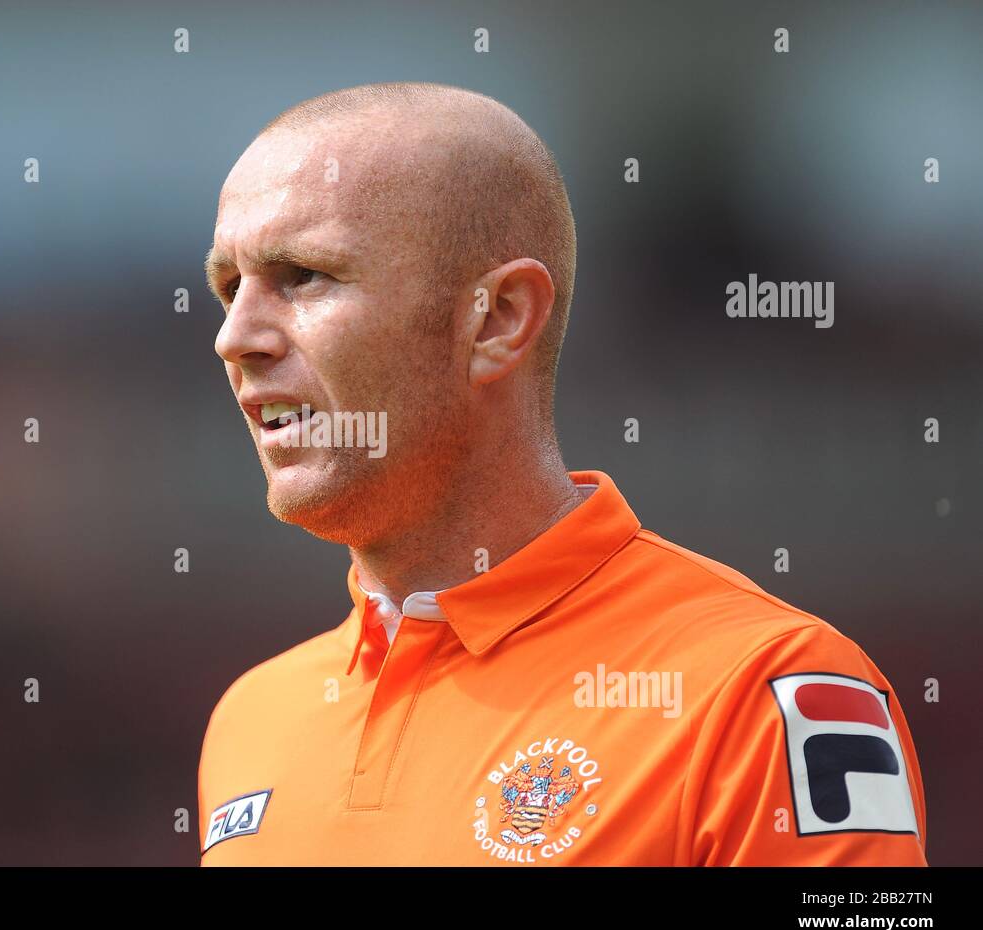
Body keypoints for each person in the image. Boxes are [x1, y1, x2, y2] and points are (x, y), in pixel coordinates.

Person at [197, 82, 927, 866]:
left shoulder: (771, 693)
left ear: (499, 317)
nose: (234, 338)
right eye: (229, 287)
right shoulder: (251, 719)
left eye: (303, 276)